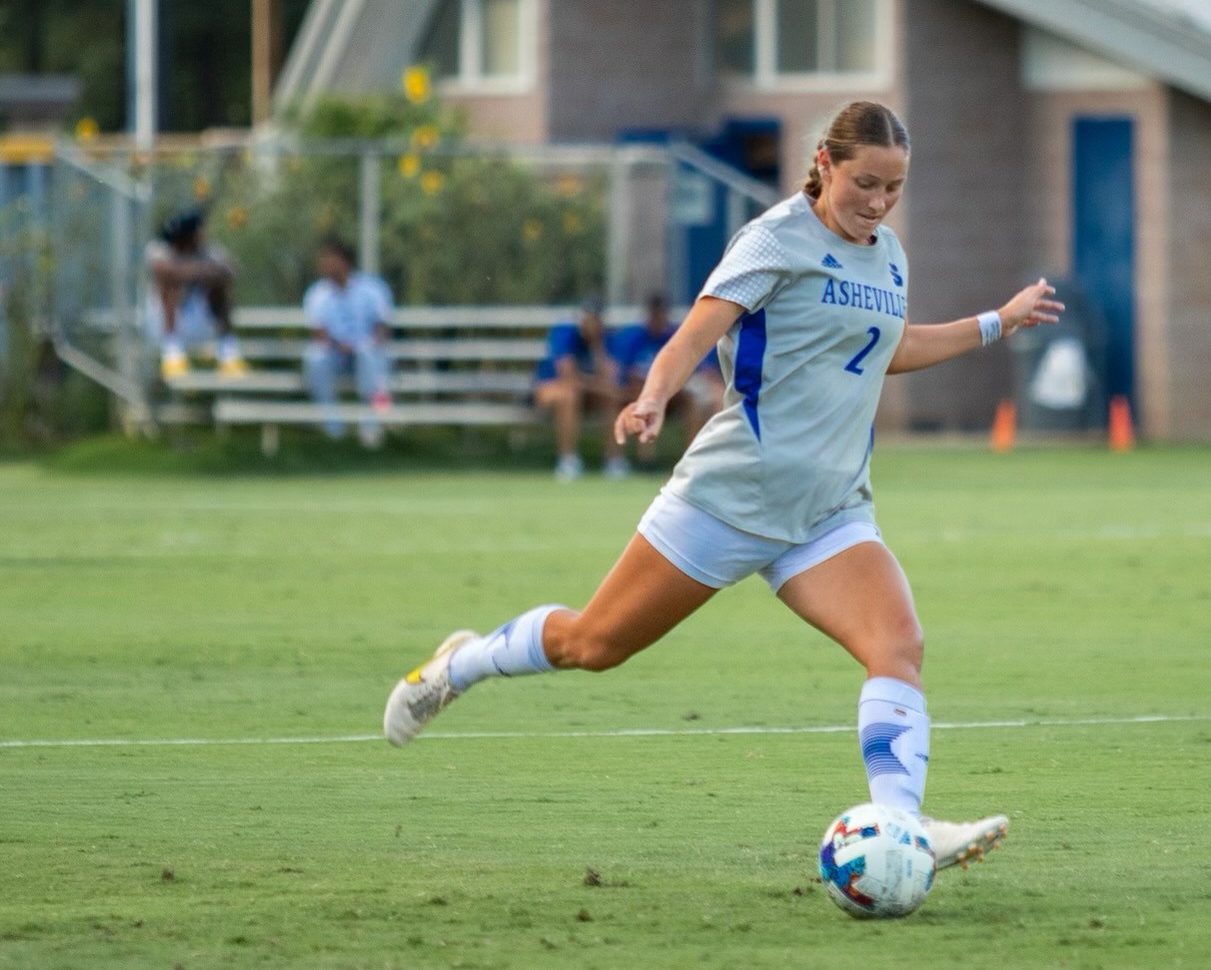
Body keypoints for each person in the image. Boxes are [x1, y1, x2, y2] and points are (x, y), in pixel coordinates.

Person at [384, 101, 1062, 872]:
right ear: (826, 164)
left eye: (894, 188)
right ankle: (459, 665)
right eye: (865, 183)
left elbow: (887, 347)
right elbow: (694, 334)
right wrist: (653, 396)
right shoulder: (775, 239)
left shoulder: (890, 255)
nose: (878, 202)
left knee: (897, 644)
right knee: (593, 644)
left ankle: (902, 825)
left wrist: (998, 322)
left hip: (829, 510)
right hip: (732, 495)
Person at [302, 236, 394, 448]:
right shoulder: (317, 294)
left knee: (368, 354)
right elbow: (318, 331)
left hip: (366, 352)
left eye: (330, 260)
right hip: (335, 353)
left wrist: (367, 343)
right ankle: (332, 428)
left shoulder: (371, 289)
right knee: (315, 359)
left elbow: (382, 325)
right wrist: (339, 345)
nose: (325, 265)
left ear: (345, 262)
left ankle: (370, 426)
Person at [610, 293, 724, 461]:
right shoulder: (635, 339)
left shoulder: (672, 338)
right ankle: (645, 457)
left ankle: (693, 458)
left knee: (695, 400)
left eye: (660, 315)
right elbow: (625, 374)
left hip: (671, 393)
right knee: (639, 396)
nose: (657, 320)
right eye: (654, 316)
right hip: (639, 393)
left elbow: (698, 368)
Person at [533, 298, 627, 480]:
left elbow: (611, 379)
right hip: (552, 387)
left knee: (613, 397)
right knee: (569, 395)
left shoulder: (606, 340)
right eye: (588, 318)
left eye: (596, 319)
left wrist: (597, 346)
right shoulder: (565, 333)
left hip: (587, 392)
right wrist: (597, 385)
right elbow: (568, 378)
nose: (592, 324)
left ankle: (613, 460)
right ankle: (567, 459)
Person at [147, 210, 245, 379]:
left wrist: (190, 271)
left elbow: (231, 270)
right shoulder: (160, 250)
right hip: (162, 327)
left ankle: (228, 353)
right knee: (171, 285)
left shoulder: (208, 251)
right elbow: (165, 271)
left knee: (220, 286)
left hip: (200, 323)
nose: (202, 235)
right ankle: (173, 356)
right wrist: (204, 270)